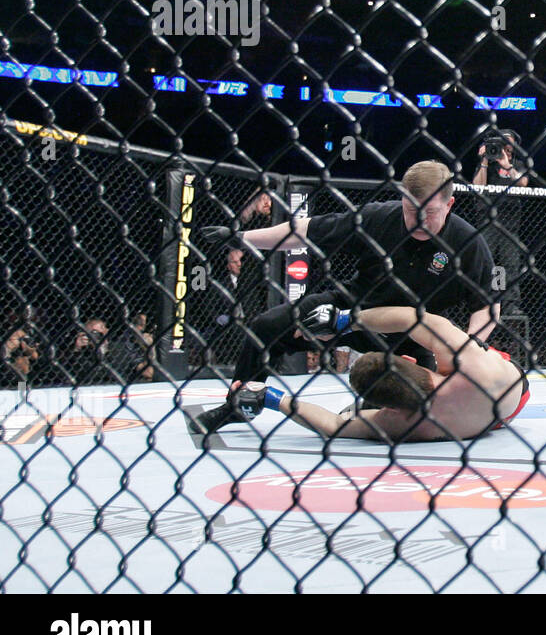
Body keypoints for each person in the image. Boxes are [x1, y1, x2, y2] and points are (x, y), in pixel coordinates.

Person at [189, 160, 497, 434]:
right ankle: (237, 404)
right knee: (267, 327)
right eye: (410, 210)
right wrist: (242, 238)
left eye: (429, 212)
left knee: (411, 417)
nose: (418, 221)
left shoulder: (467, 243)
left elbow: (486, 305)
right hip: (348, 310)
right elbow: (305, 231)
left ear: (450, 204)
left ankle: (366, 409)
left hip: (411, 335)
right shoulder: (378, 218)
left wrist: (470, 347)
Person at [216, 304, 528, 443]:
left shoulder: (399, 424)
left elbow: (334, 426)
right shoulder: (466, 359)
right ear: (410, 362)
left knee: (350, 415)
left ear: (389, 407)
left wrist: (272, 398)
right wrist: (346, 320)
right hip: (513, 390)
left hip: (495, 418)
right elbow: (411, 317)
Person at [472, 131, 528, 317]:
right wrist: (485, 161)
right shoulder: (487, 164)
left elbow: (523, 184)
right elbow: (478, 187)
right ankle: (480, 301)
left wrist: (506, 165)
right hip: (487, 220)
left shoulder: (518, 165)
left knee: (509, 265)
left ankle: (509, 305)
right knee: (484, 262)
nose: (504, 145)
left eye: (508, 142)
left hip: (510, 222)